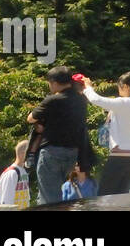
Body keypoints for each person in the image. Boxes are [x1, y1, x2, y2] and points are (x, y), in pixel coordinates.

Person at [82, 71, 130, 195]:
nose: (118, 91)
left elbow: (96, 99)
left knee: (104, 193)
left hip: (119, 155)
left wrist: (88, 87)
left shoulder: (124, 103)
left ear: (126, 87)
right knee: (120, 194)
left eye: (119, 87)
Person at [28, 66, 89, 205]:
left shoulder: (53, 100)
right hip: (73, 153)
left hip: (52, 152)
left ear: (54, 82)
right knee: (62, 196)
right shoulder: (81, 101)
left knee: (48, 197)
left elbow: (31, 118)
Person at [0, 140, 32, 208]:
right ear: (23, 153)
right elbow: (6, 201)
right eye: (30, 153)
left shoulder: (23, 171)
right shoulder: (12, 173)